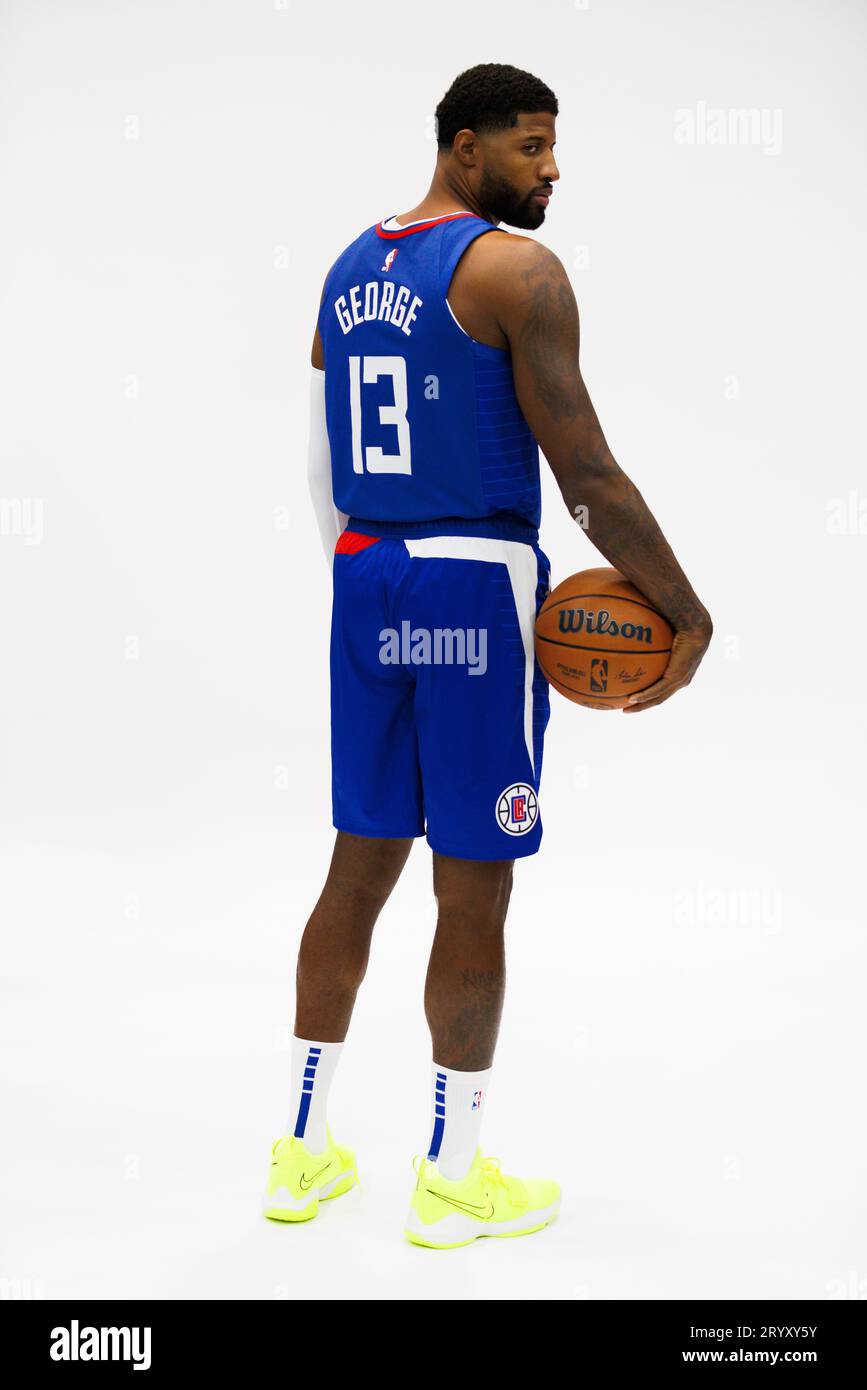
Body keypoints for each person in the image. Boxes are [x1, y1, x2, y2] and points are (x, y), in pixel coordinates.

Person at [262, 63, 712, 1248]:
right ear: (464, 149)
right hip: (477, 583)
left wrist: (363, 584)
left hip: (364, 579)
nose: (551, 169)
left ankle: (300, 1154)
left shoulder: (348, 265)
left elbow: (316, 463)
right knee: (475, 877)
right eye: (530, 147)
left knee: (358, 863)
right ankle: (453, 1176)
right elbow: (590, 479)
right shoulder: (519, 272)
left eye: (552, 147)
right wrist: (686, 609)